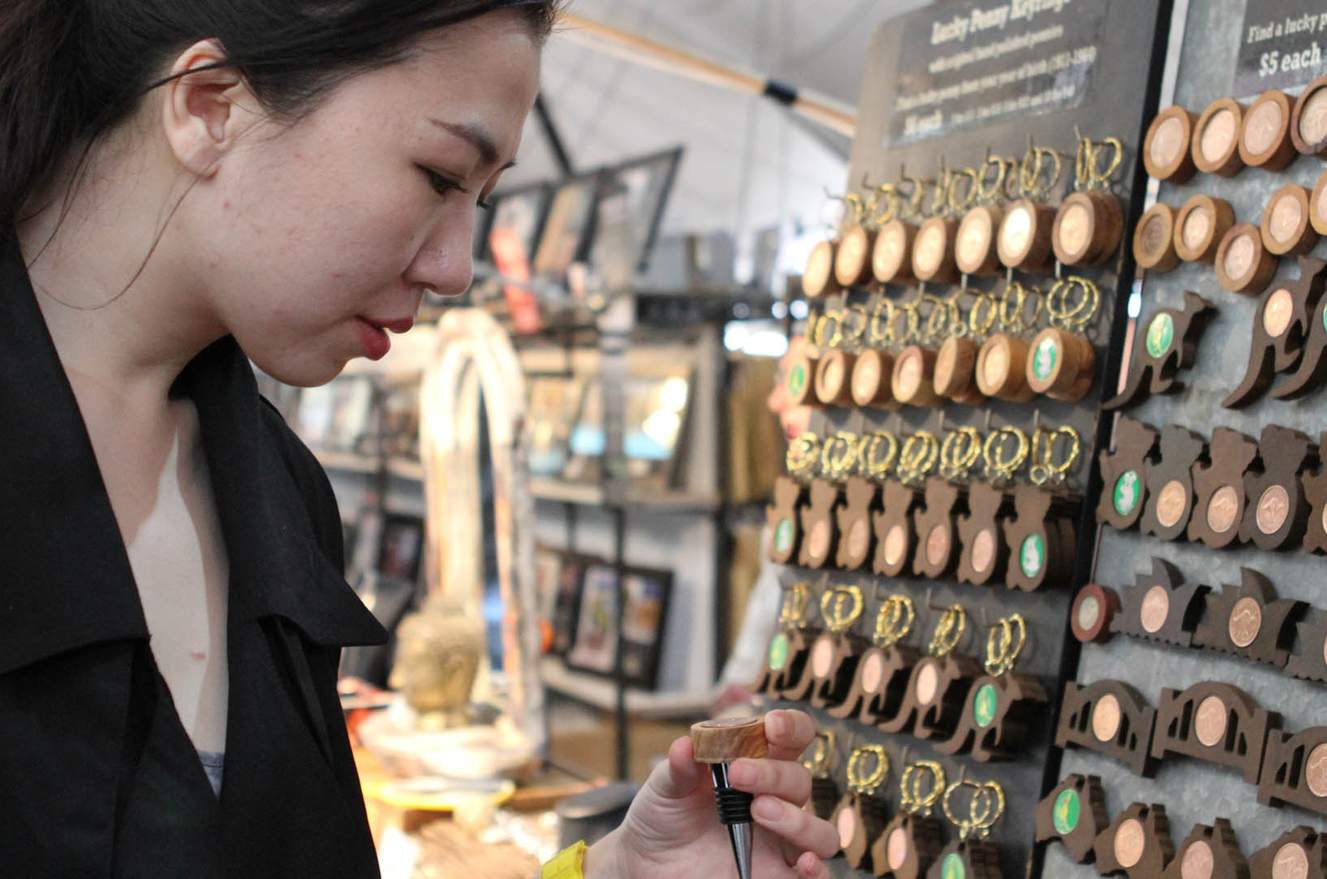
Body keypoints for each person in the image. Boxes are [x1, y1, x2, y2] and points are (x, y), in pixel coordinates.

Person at [0, 1, 839, 877]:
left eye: (483, 198)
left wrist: (612, 873)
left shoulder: (278, 490)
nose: (456, 269)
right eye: (441, 176)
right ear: (211, 106)